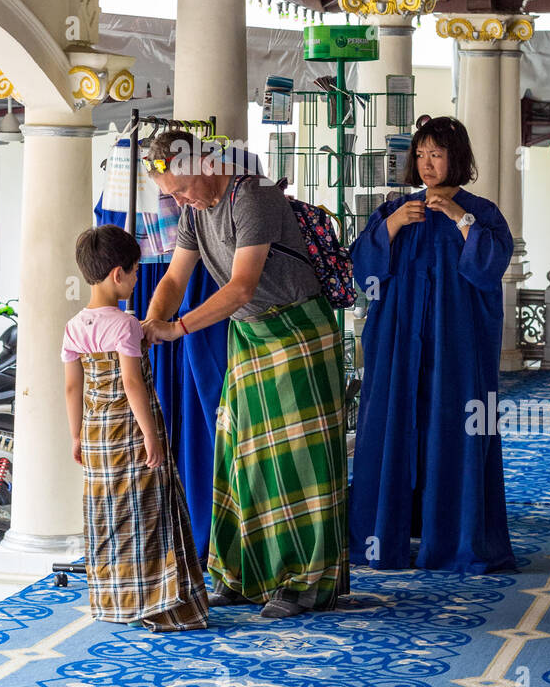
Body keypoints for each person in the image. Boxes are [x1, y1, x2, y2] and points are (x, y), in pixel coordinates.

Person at [141, 130, 349, 620]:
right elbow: (174, 278)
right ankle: (241, 574)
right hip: (251, 337)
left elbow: (240, 286)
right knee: (239, 458)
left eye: (182, 187)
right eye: (170, 193)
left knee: (302, 463)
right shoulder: (194, 210)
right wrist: (153, 320)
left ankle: (304, 583)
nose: (179, 199)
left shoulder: (254, 196)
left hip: (297, 332)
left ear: (207, 163)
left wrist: (179, 328)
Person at [349, 116, 517, 574]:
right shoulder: (395, 210)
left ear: (455, 158)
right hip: (398, 343)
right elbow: (362, 272)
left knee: (453, 428)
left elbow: (489, 267)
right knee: (391, 425)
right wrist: (392, 228)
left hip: (455, 346)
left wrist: (460, 220)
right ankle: (383, 537)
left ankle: (456, 541)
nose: (426, 164)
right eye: (420, 154)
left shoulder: (481, 212)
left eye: (436, 154)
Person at [62, 224, 209, 632]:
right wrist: (149, 434)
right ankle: (157, 601)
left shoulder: (74, 326)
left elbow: (73, 386)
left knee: (107, 518)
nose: (139, 276)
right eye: (136, 270)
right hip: (128, 434)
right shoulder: (124, 325)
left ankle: (115, 600)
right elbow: (132, 384)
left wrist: (76, 435)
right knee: (147, 515)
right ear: (117, 275)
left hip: (94, 435)